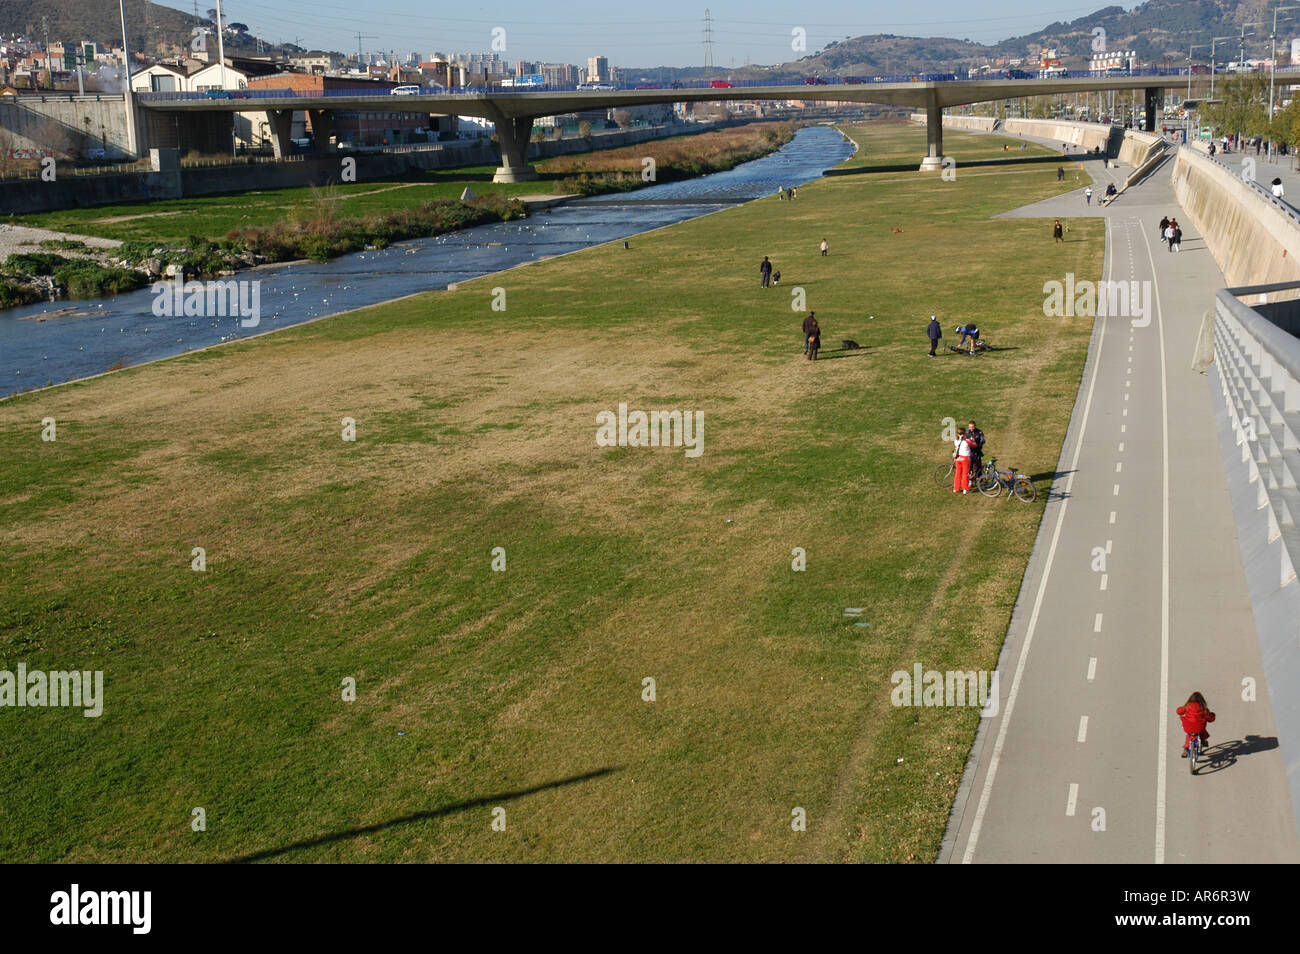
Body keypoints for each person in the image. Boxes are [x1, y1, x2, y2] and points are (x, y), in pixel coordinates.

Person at [1177, 691, 1215, 758]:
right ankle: (1203, 741)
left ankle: (1186, 748)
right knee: (1202, 729)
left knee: (1189, 734)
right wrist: (1212, 715)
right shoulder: (1203, 708)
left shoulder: (1187, 706)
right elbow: (1210, 718)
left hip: (1188, 726)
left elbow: (1179, 711)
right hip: (1199, 727)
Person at [953, 428, 976, 494]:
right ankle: (965, 488)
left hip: (958, 458)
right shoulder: (967, 441)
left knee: (957, 474)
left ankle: (956, 488)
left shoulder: (956, 440)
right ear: (964, 434)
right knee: (965, 474)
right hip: (965, 458)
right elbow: (974, 445)